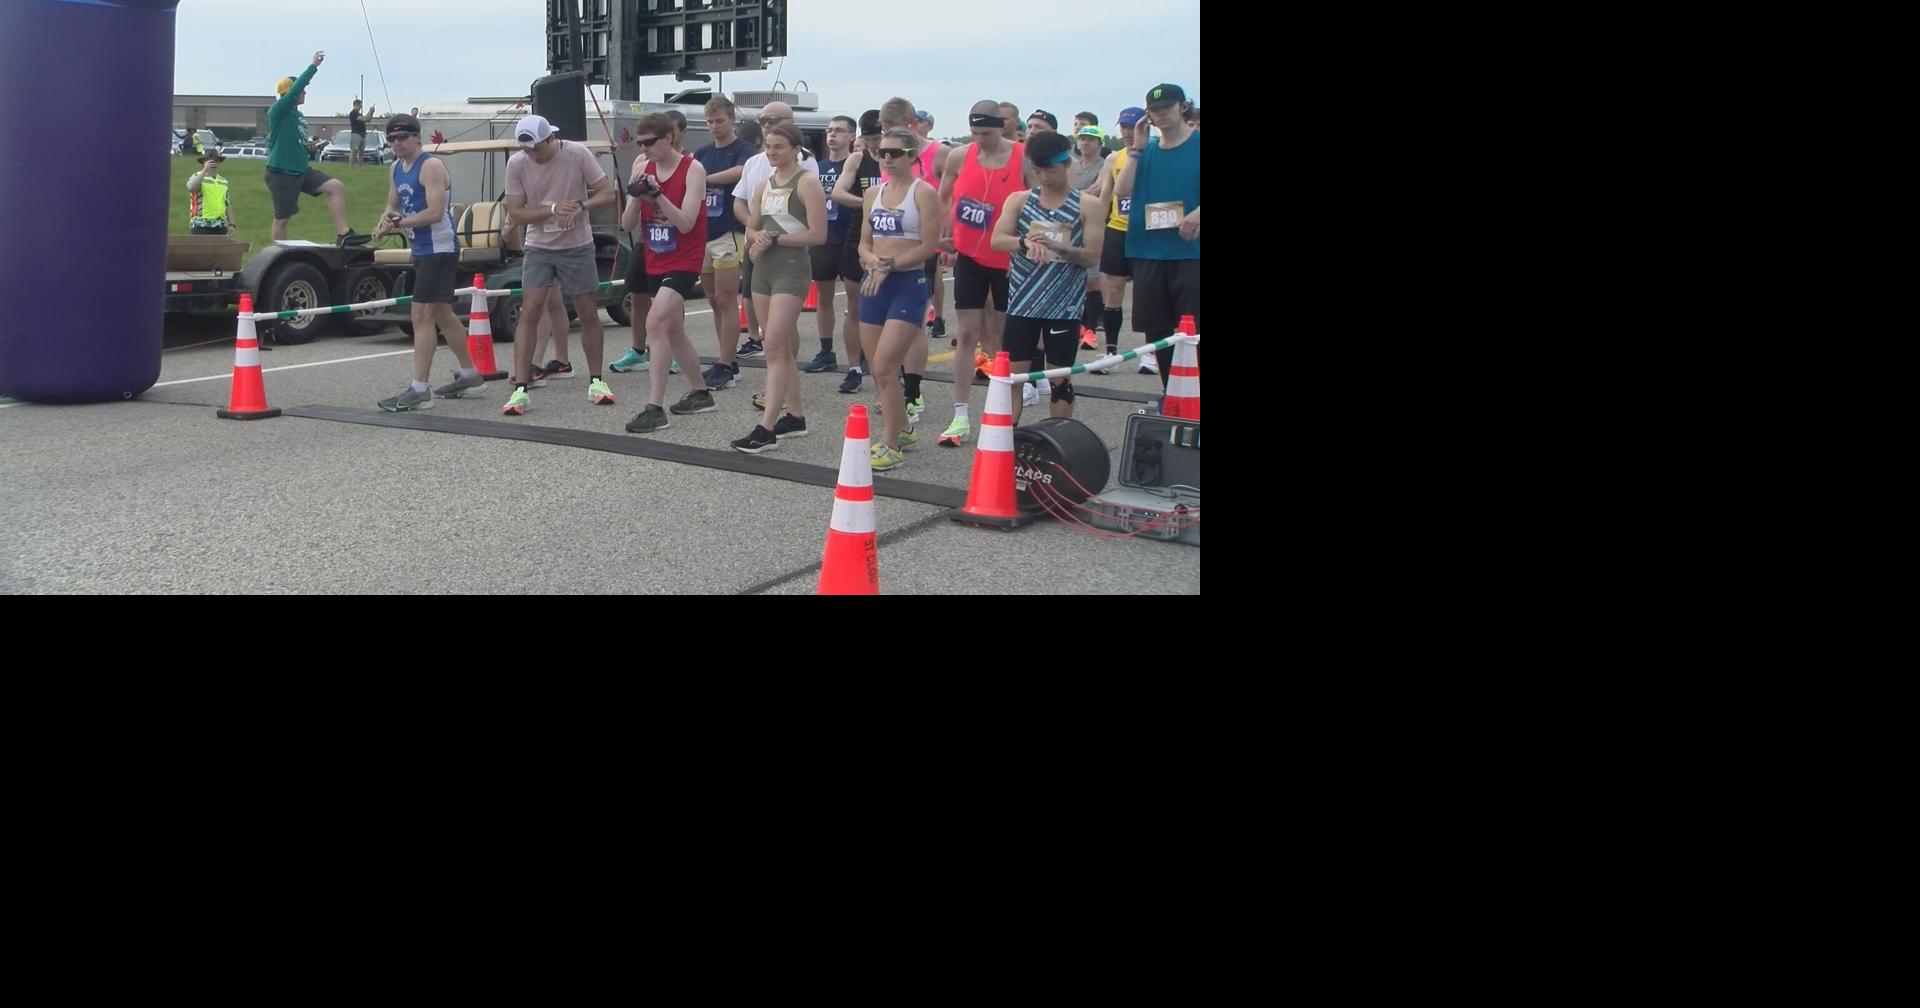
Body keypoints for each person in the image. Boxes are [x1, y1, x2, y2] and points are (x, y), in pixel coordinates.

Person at [499, 114, 617, 415]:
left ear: (551, 138)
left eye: (537, 148)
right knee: (531, 308)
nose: (532, 155)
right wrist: (552, 208)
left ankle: (597, 381)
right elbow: (516, 211)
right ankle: (521, 389)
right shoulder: (517, 164)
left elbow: (607, 193)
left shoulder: (576, 153)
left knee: (587, 310)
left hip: (576, 244)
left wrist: (580, 206)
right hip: (539, 245)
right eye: (526, 150)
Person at [367, 114, 486, 412]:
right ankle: (471, 375)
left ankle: (420, 388)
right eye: (391, 138)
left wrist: (401, 223)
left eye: (402, 137)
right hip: (421, 248)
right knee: (443, 313)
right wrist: (385, 221)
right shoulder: (396, 168)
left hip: (439, 248)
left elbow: (435, 212)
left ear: (416, 137)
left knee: (420, 314)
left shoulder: (430, 166)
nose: (397, 143)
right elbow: (393, 204)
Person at [990, 130, 1104, 425]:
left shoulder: (1086, 205)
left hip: (1063, 304)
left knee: (1060, 379)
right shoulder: (1020, 200)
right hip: (1022, 303)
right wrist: (1024, 242)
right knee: (1012, 379)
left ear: (1066, 164)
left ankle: (1058, 438)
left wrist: (1059, 247)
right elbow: (997, 240)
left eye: (1049, 170)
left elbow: (1092, 256)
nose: (1042, 177)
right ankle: (1007, 442)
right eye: (1036, 170)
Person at [934, 99, 1028, 447]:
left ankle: (1005, 407)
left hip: (1008, 258)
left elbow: (1036, 199)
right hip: (970, 253)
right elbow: (945, 198)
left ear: (1001, 127)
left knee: (1002, 337)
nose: (980, 140)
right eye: (975, 133)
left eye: (986, 133)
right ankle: (960, 414)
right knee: (967, 331)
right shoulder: (960, 156)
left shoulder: (1021, 156)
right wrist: (946, 237)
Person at [730, 124, 828, 453]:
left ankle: (767, 427)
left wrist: (775, 238)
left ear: (795, 148)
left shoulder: (808, 182)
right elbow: (754, 226)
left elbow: (817, 235)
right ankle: (795, 416)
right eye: (768, 146)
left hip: (791, 269)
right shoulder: (764, 184)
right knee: (780, 349)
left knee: (773, 346)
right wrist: (756, 238)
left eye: (779, 147)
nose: (772, 152)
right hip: (763, 270)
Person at [619, 112, 718, 434]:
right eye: (640, 143)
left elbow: (687, 222)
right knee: (673, 331)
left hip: (685, 258)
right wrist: (637, 195)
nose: (644, 149)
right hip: (655, 256)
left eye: (649, 143)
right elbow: (626, 224)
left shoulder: (693, 169)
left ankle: (655, 407)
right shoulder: (642, 166)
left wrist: (658, 195)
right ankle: (701, 393)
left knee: (656, 323)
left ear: (668, 138)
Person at [856, 128, 942, 471]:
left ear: (911, 156)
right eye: (881, 153)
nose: (887, 159)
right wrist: (871, 260)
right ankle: (903, 429)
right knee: (877, 371)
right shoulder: (874, 193)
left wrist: (890, 264)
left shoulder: (924, 193)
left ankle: (890, 444)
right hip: (874, 283)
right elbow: (864, 242)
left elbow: (927, 246)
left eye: (894, 153)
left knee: (885, 367)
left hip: (907, 282)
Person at [1116, 84, 1200, 390]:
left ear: (1182, 107)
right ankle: (1172, 393)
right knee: (1158, 333)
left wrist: (1197, 213)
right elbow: (1122, 190)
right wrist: (1136, 149)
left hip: (1190, 253)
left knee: (1191, 332)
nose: (1161, 114)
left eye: (1166, 107)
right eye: (1154, 110)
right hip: (1149, 250)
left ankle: (1195, 397)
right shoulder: (1144, 151)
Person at [264, 51, 360, 245]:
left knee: (335, 187)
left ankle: (344, 234)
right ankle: (278, 253)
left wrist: (309, 146)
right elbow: (295, 89)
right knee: (282, 219)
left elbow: (290, 140)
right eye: (302, 90)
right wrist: (313, 66)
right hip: (282, 173)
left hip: (302, 170)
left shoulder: (297, 116)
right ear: (290, 93)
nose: (305, 93)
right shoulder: (278, 111)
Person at [801, 115, 863, 378]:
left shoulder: (857, 166)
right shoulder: (817, 167)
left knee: (856, 302)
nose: (832, 135)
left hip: (851, 238)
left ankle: (860, 355)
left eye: (839, 131)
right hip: (824, 239)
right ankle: (826, 350)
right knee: (824, 298)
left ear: (851, 136)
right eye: (829, 130)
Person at [1090, 106, 1144, 372]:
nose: (1126, 132)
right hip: (1117, 229)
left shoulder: (1153, 153)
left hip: (1146, 233)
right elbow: (1105, 196)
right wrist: (1097, 229)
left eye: (1131, 127)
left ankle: (1151, 353)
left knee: (1147, 296)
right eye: (1122, 126)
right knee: (1111, 292)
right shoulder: (1114, 158)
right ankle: (1111, 353)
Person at [909, 109, 952, 339]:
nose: (917, 127)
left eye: (923, 123)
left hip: (931, 221)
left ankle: (939, 316)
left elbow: (951, 191)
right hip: (907, 224)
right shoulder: (897, 152)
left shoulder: (938, 151)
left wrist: (947, 224)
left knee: (933, 272)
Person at [1070, 125, 1107, 348]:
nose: (1085, 143)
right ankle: (1079, 324)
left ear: (1099, 144)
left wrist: (1077, 195)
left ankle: (1091, 330)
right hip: (1072, 227)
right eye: (1082, 139)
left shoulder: (1104, 166)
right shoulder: (1073, 166)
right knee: (1075, 281)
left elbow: (1099, 192)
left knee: (1093, 281)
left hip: (1094, 226)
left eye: (1090, 140)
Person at [186, 153, 234, 235]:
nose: (213, 163)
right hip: (201, 223)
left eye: (216, 161)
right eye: (209, 161)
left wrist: (231, 224)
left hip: (220, 224)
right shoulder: (197, 176)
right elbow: (191, 187)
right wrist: (204, 170)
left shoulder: (223, 181)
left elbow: (227, 204)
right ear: (204, 163)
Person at [347, 99, 372, 167]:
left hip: (362, 134)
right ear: (355, 105)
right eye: (359, 106)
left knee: (361, 152)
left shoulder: (359, 114)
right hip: (356, 134)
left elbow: (368, 120)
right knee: (354, 151)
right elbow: (364, 119)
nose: (360, 108)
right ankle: (351, 166)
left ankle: (360, 167)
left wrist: (371, 112)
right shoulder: (353, 113)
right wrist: (369, 111)